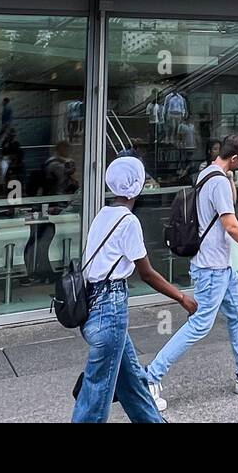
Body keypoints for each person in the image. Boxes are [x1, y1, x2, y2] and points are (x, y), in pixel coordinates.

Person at [146, 133, 238, 410]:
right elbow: (230, 224)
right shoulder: (216, 180)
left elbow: (230, 199)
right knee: (199, 324)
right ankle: (151, 377)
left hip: (223, 267)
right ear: (234, 157)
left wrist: (230, 174)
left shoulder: (209, 173)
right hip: (211, 268)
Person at [72, 155, 197, 424]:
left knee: (132, 383)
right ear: (137, 186)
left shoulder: (103, 215)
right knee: (96, 394)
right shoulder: (128, 222)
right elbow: (147, 274)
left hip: (93, 306)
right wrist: (182, 297)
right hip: (111, 307)